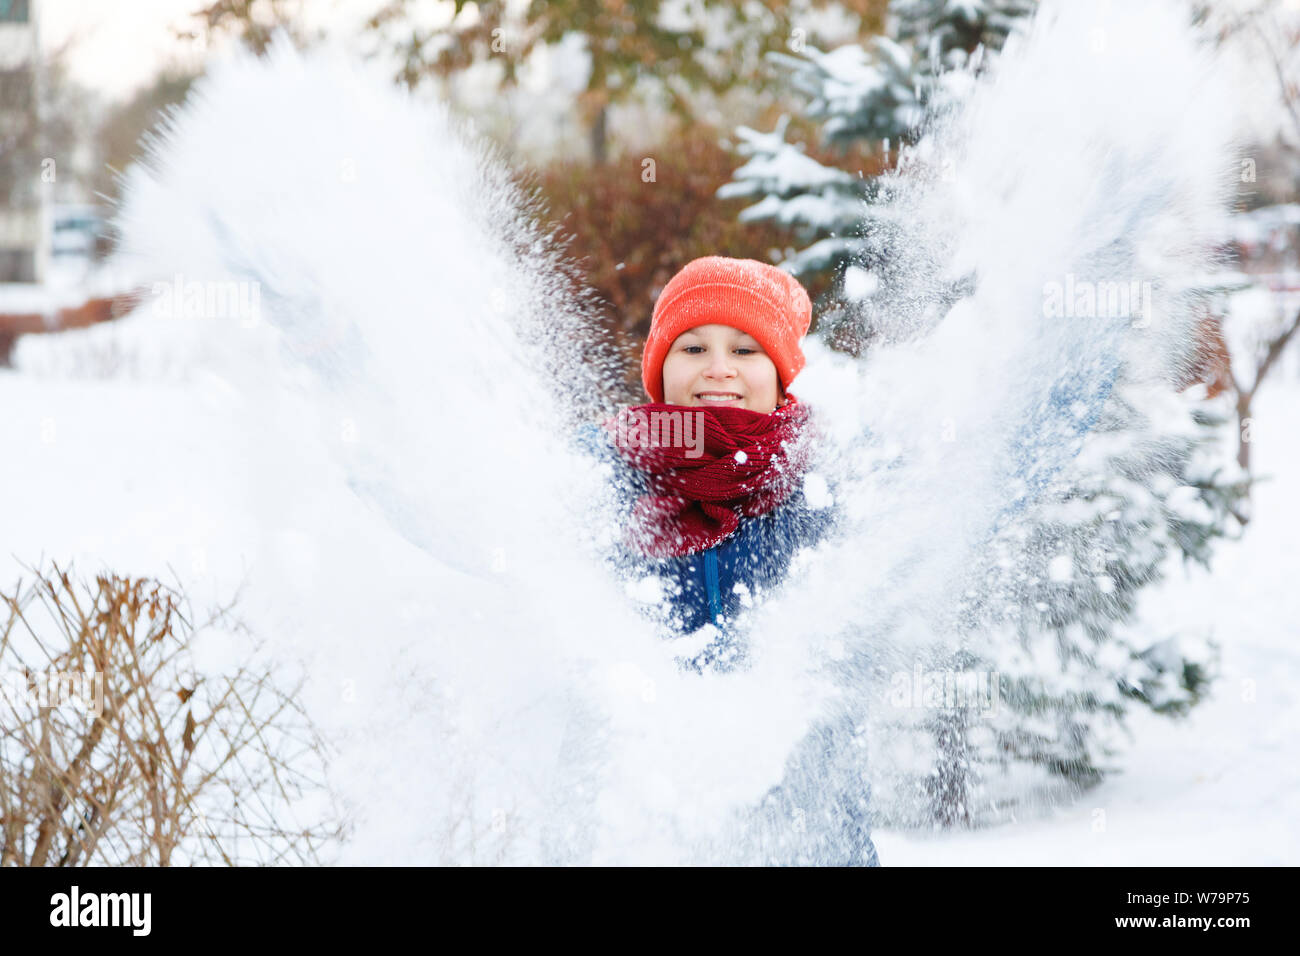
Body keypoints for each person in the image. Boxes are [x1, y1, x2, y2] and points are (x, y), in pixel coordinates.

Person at [576, 255, 881, 866]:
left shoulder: (830, 485)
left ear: (780, 373)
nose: (719, 369)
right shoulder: (593, 480)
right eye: (692, 349)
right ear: (659, 370)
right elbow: (453, 508)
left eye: (746, 351)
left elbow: (987, 469)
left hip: (808, 845)